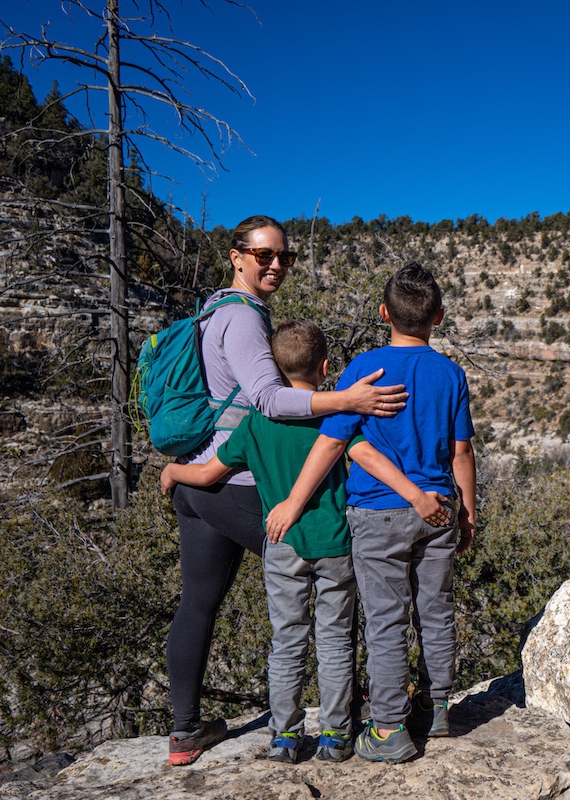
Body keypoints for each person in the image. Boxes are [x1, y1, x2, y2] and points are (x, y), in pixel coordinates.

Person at [165, 215, 409, 767]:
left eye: (284, 256)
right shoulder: (246, 320)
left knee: (200, 603)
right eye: (263, 255)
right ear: (236, 256)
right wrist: (345, 402)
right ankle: (352, 714)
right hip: (247, 485)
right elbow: (272, 402)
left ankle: (184, 733)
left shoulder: (210, 311)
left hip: (205, 475)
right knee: (328, 575)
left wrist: (179, 472)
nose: (275, 264)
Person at [267, 262, 476, 765]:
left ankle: (388, 729)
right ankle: (439, 706)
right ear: (439, 317)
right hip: (439, 510)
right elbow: (461, 452)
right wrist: (468, 513)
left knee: (386, 622)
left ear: (384, 313)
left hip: (378, 514)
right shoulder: (451, 374)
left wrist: (294, 502)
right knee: (436, 608)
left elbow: (334, 441)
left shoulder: (365, 368)